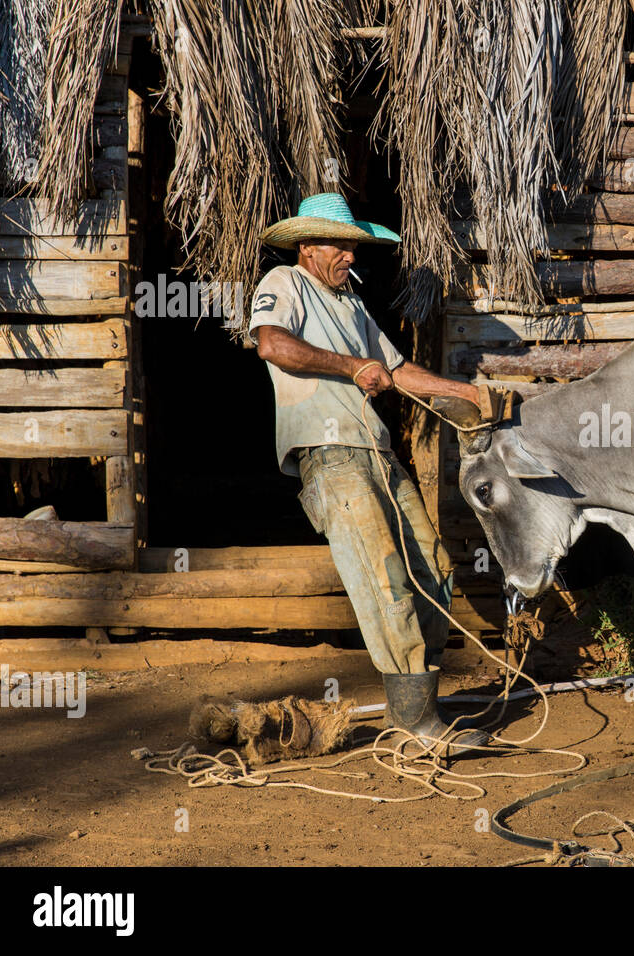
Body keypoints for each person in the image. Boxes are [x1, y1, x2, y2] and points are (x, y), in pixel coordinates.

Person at [248, 192, 506, 756]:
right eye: (340, 245)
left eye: (354, 247)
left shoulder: (354, 307)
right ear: (307, 246)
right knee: (384, 575)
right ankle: (417, 728)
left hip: (377, 455)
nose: (350, 256)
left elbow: (393, 370)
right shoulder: (284, 284)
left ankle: (416, 710)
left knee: (431, 569)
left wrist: (466, 393)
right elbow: (271, 344)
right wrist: (349, 366)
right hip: (329, 452)